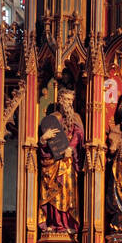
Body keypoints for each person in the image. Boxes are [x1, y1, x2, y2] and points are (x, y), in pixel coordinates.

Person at [37, 86, 85, 231]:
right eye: (67, 99)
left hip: (68, 164)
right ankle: (54, 224)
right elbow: (43, 147)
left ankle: (67, 224)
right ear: (60, 100)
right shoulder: (52, 119)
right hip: (52, 163)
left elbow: (78, 135)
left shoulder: (75, 118)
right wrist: (44, 138)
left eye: (71, 100)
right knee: (52, 194)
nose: (69, 103)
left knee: (67, 193)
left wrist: (70, 147)